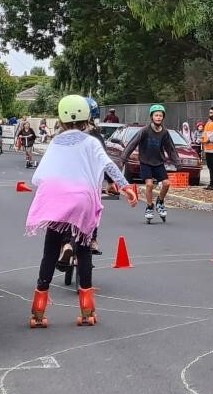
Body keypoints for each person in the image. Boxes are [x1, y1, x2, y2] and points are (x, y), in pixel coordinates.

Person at [25, 95, 139, 328]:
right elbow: (108, 165)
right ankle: (87, 312)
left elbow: (40, 175)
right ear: (87, 118)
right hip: (83, 199)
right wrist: (125, 186)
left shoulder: (56, 142)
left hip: (57, 198)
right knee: (84, 250)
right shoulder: (91, 142)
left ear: (61, 118)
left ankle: (38, 312)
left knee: (49, 252)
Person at [120, 104, 181, 222]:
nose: (158, 117)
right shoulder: (145, 131)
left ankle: (160, 201)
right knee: (149, 185)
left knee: (167, 183)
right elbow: (132, 144)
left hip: (158, 162)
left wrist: (177, 162)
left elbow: (170, 148)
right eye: (156, 115)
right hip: (145, 162)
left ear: (163, 117)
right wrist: (123, 158)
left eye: (160, 116)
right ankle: (149, 206)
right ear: (151, 117)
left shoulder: (165, 133)